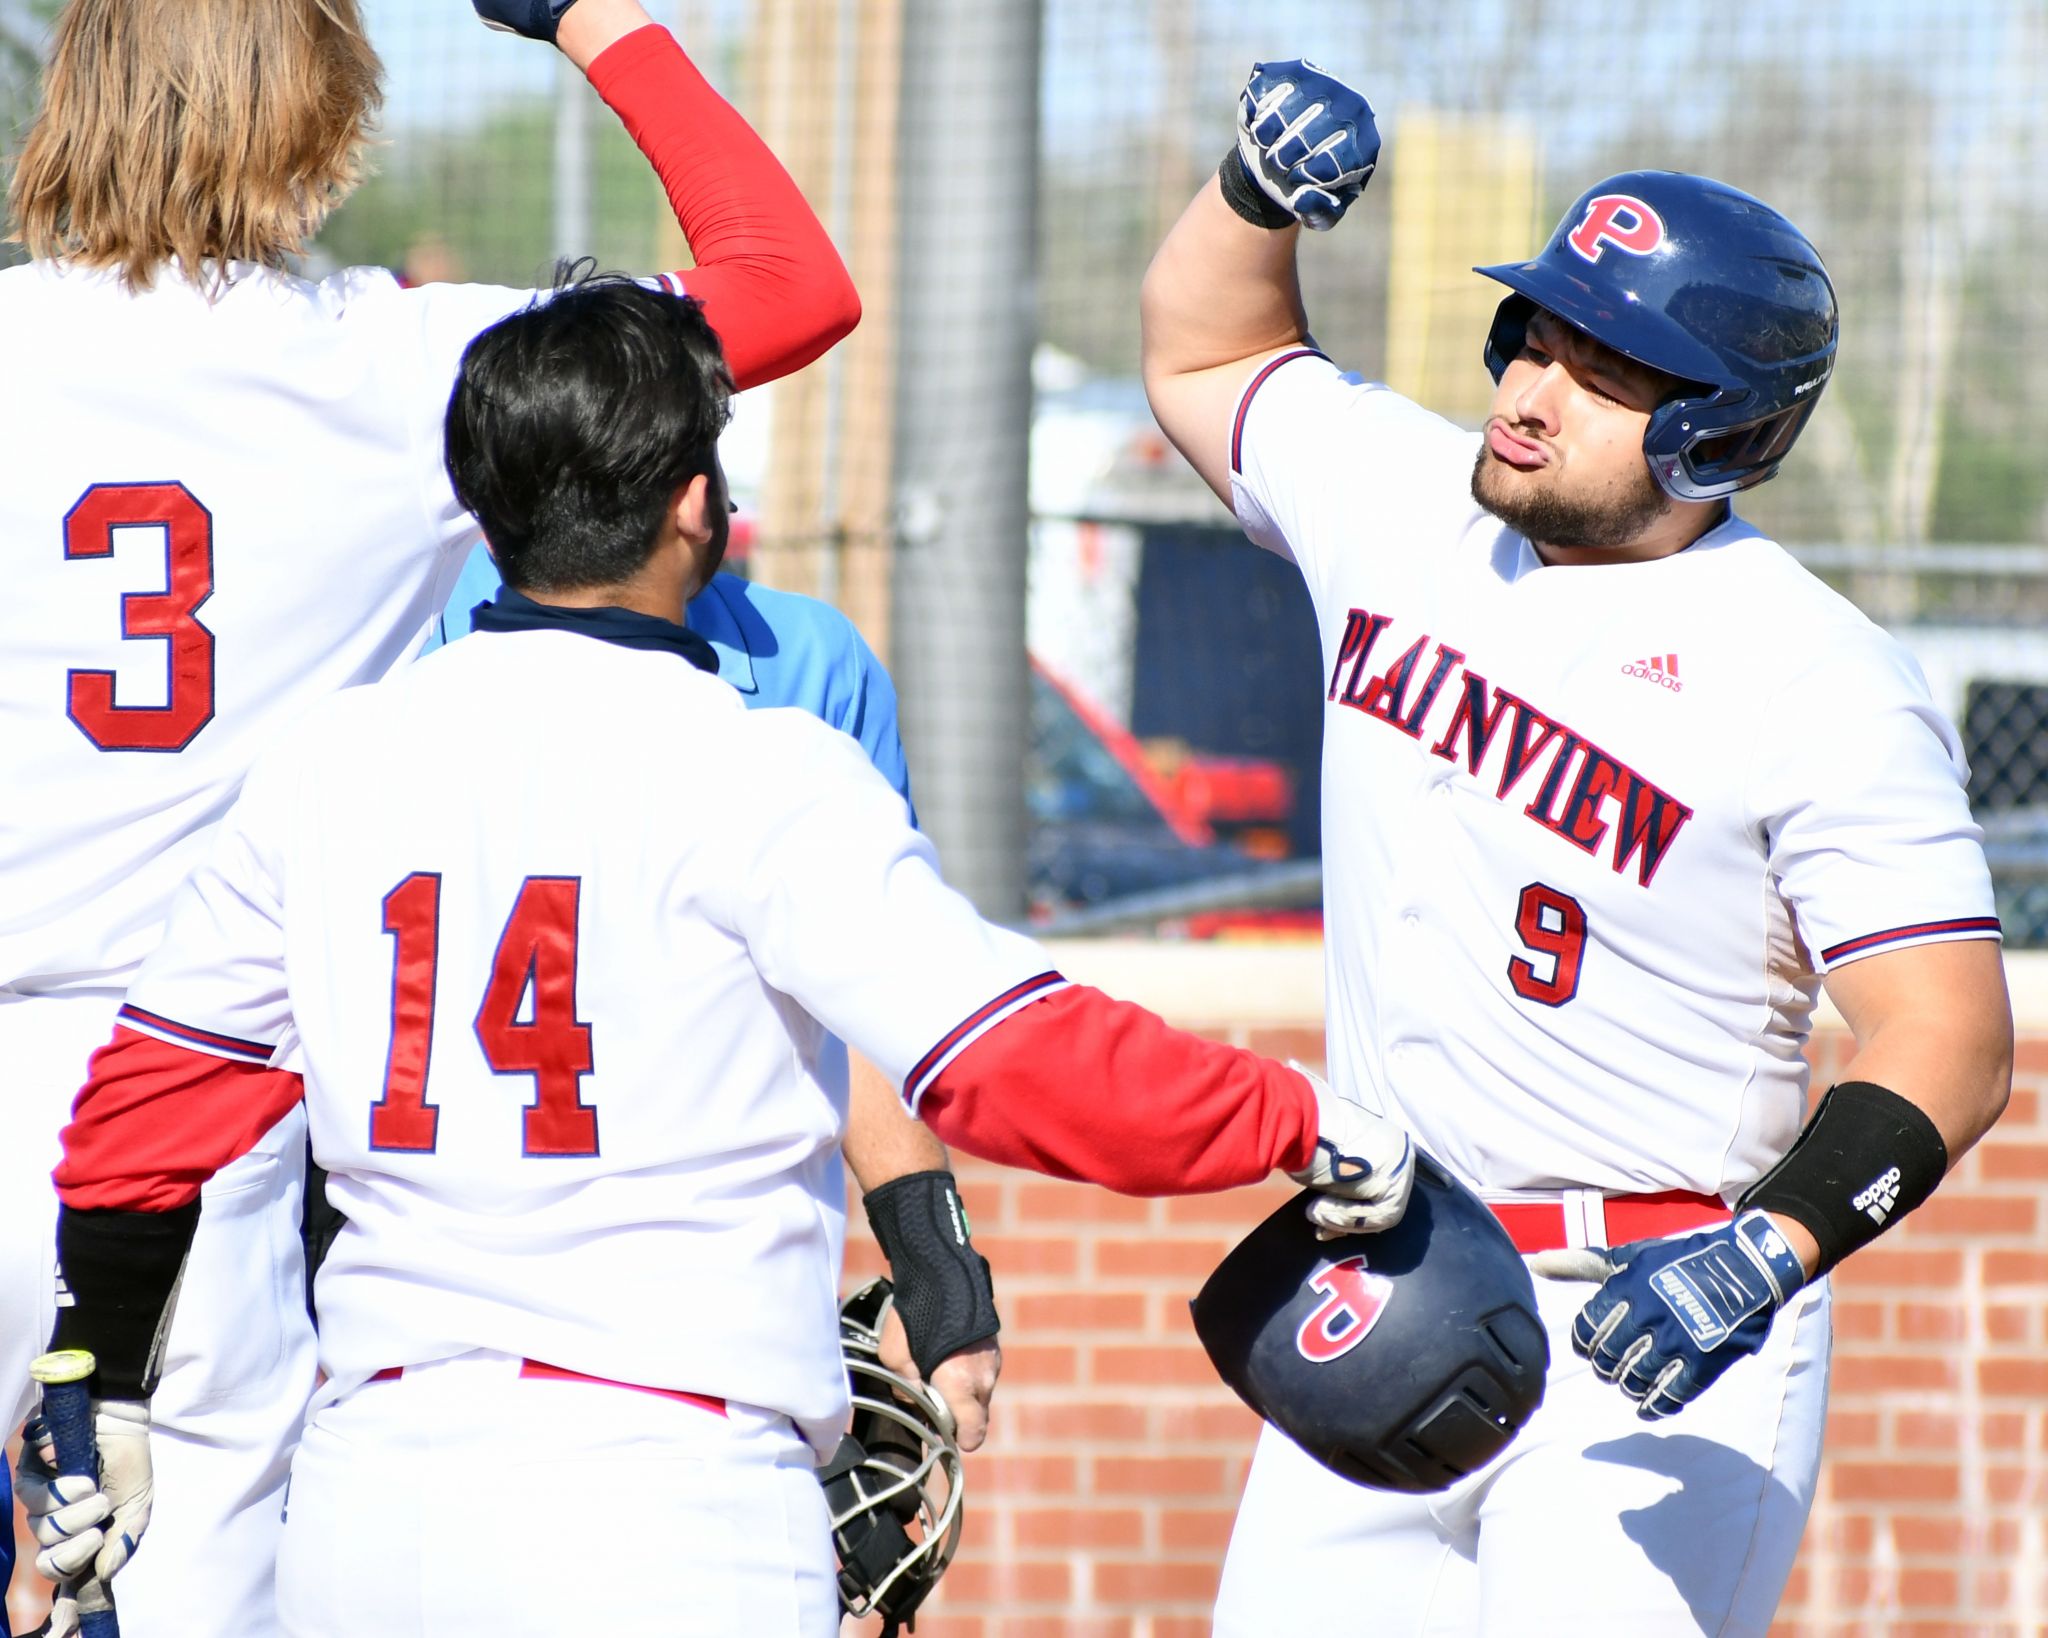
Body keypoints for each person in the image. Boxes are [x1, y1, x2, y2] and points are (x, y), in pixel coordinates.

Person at [31, 272, 1413, 1637]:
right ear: (697, 503)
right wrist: (1297, 1119)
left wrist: (108, 1372)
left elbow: (144, 1119)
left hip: (370, 1506)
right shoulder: (764, 770)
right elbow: (1018, 1068)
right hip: (665, 1498)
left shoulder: (328, 763)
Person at [0, 0, 863, 1630]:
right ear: (323, 116)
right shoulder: (396, 357)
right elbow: (789, 282)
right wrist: (596, 20)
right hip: (205, 1100)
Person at [1138, 60, 2013, 1638]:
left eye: (1604, 369)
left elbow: (1947, 1038)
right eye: (1532, 335)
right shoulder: (1413, 504)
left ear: (1719, 432)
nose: (1531, 389)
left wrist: (1778, 1246)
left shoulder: (1819, 677)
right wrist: (1252, 197)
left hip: (1664, 1315)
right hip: (1391, 1263)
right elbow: (1211, 350)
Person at [420, 538, 1011, 1448]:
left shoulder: (806, 656)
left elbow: (850, 991)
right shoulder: (395, 626)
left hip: (433, 1385)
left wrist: (930, 1251)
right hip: (667, 1398)